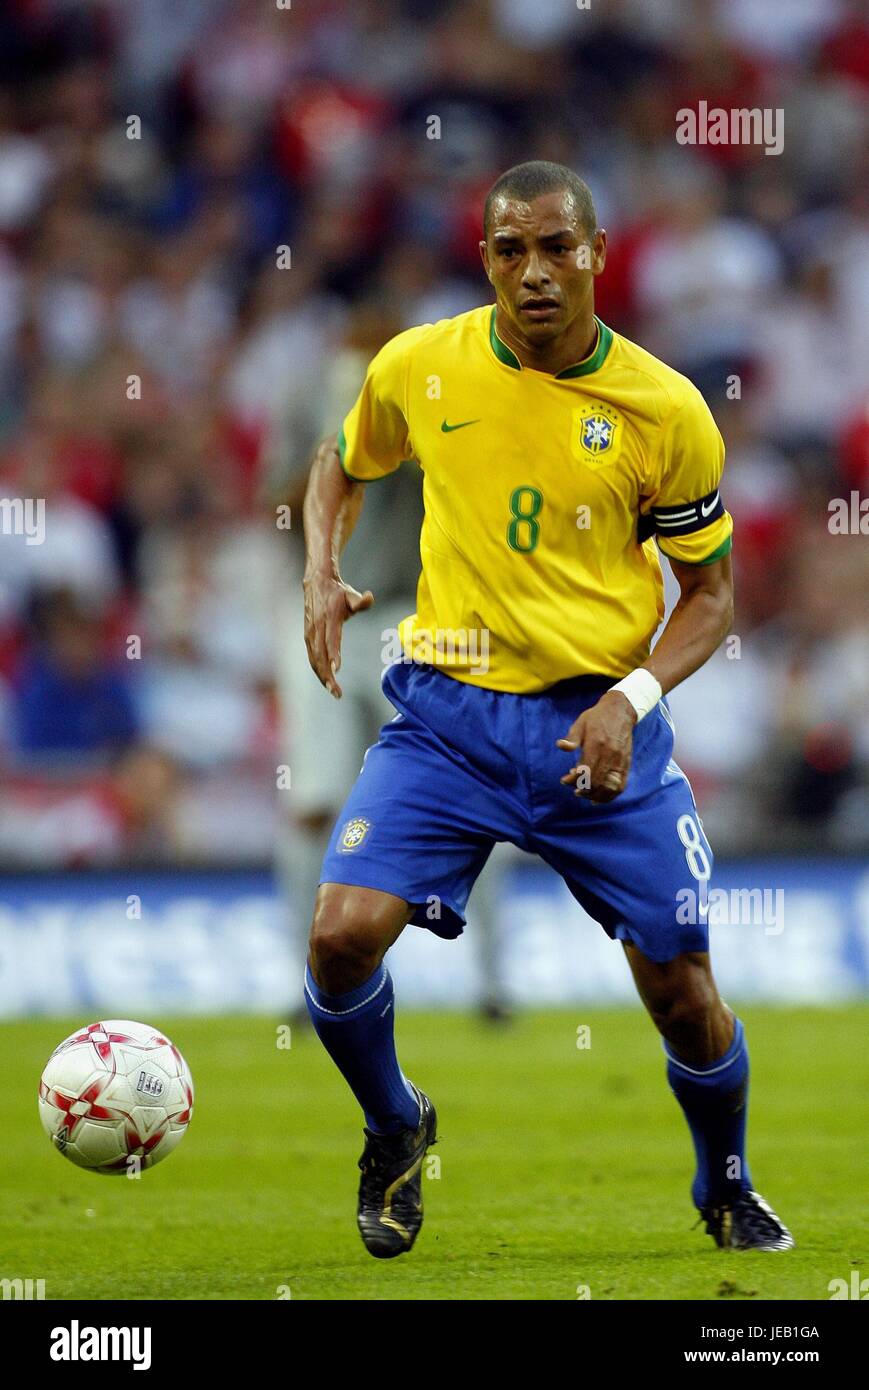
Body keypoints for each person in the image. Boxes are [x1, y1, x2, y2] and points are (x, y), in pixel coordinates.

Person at [300, 161, 793, 1260]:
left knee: (680, 987)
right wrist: (318, 571)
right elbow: (336, 465)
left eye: (554, 248)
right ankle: (395, 1126)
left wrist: (631, 695)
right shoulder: (419, 366)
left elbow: (710, 596)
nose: (532, 272)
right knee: (337, 941)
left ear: (597, 254)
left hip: (596, 733)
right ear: (483, 260)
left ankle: (724, 1180)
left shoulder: (664, 410)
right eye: (509, 250)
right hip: (447, 717)